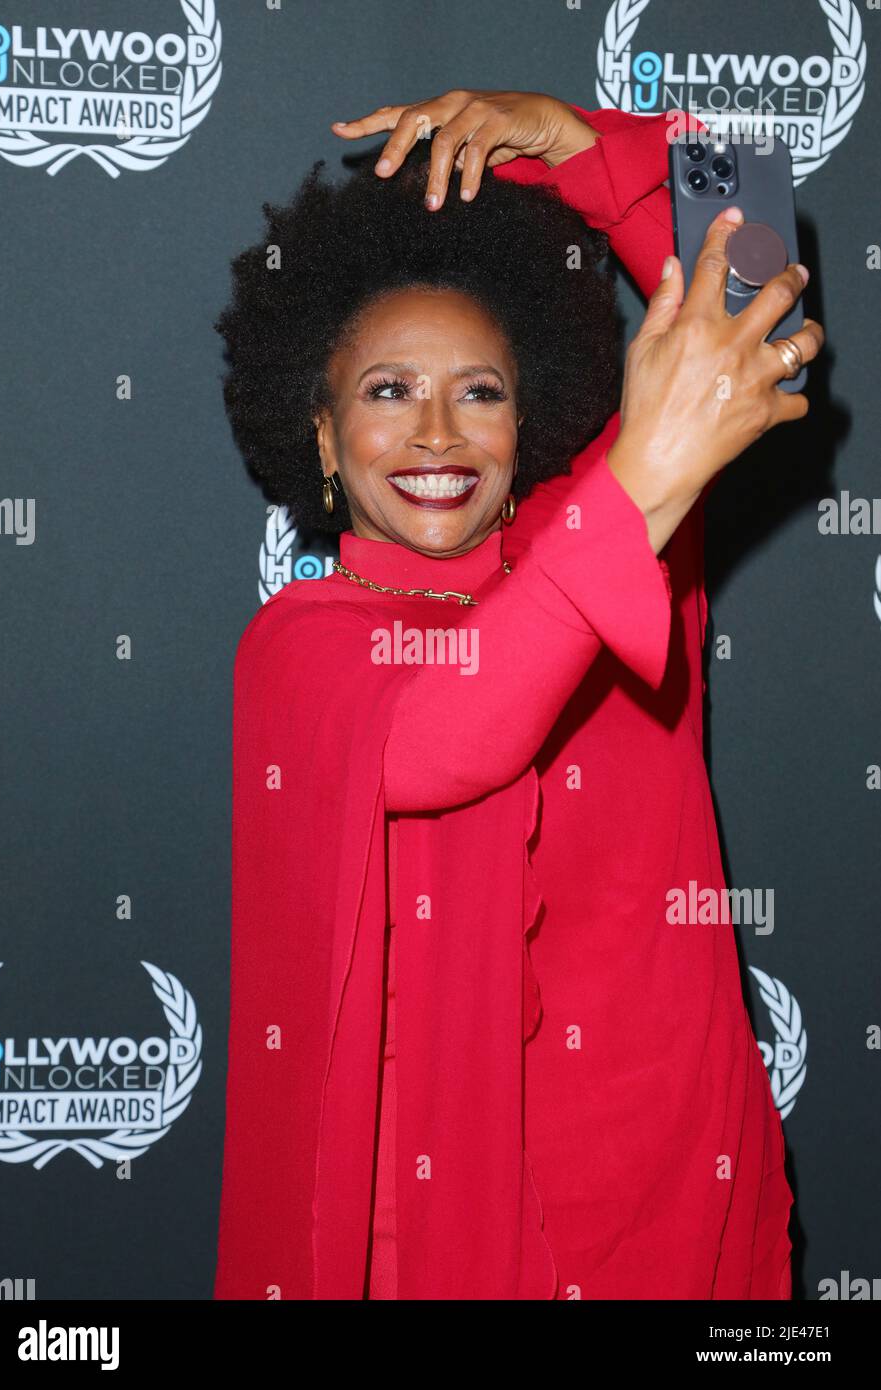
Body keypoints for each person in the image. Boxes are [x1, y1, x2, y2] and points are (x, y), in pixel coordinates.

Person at [212, 91, 824, 1300]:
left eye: (480, 392)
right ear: (323, 438)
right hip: (454, 1252)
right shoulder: (307, 641)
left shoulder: (608, 535)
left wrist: (585, 152)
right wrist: (647, 475)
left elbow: (749, 293)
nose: (436, 430)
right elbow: (451, 733)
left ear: (526, 413)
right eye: (386, 392)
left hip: (678, 1216)